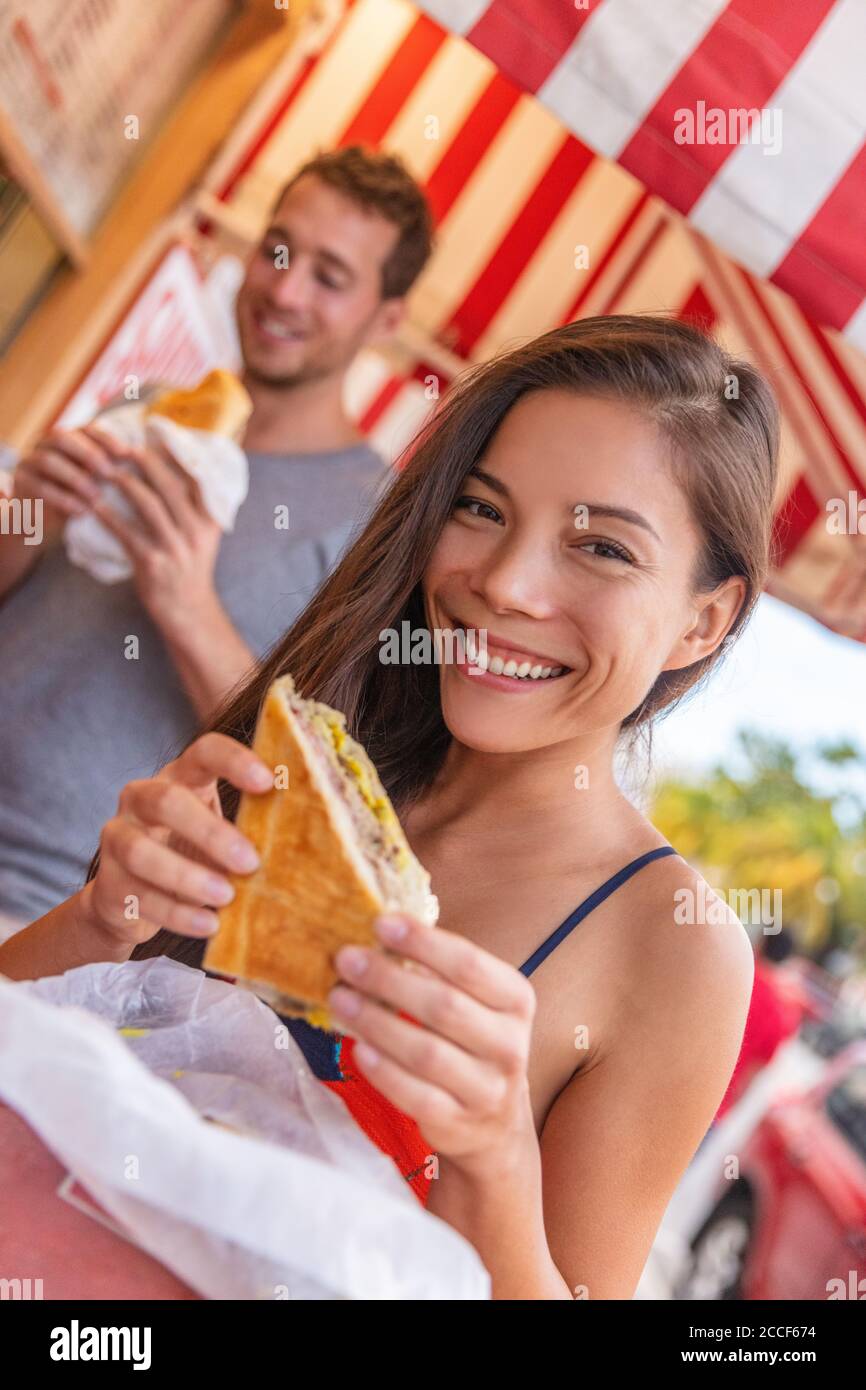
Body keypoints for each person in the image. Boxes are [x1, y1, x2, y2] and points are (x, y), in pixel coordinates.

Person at [1, 315, 778, 1300]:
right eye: (481, 509)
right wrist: (99, 918)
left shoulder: (674, 950)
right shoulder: (303, 765)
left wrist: (492, 1161)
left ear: (701, 620)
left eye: (601, 548)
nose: (501, 583)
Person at [0, 146, 434, 932]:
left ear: (386, 320)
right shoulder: (150, 405)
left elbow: (306, 783)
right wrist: (24, 515)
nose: (283, 288)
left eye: (329, 276)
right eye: (277, 250)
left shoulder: (376, 528)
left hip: (49, 910)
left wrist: (186, 603)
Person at [714, 926, 804, 1121]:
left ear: (762, 943)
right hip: (714, 1105)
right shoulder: (782, 1012)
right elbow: (753, 1073)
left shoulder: (731, 973)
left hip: (677, 1081)